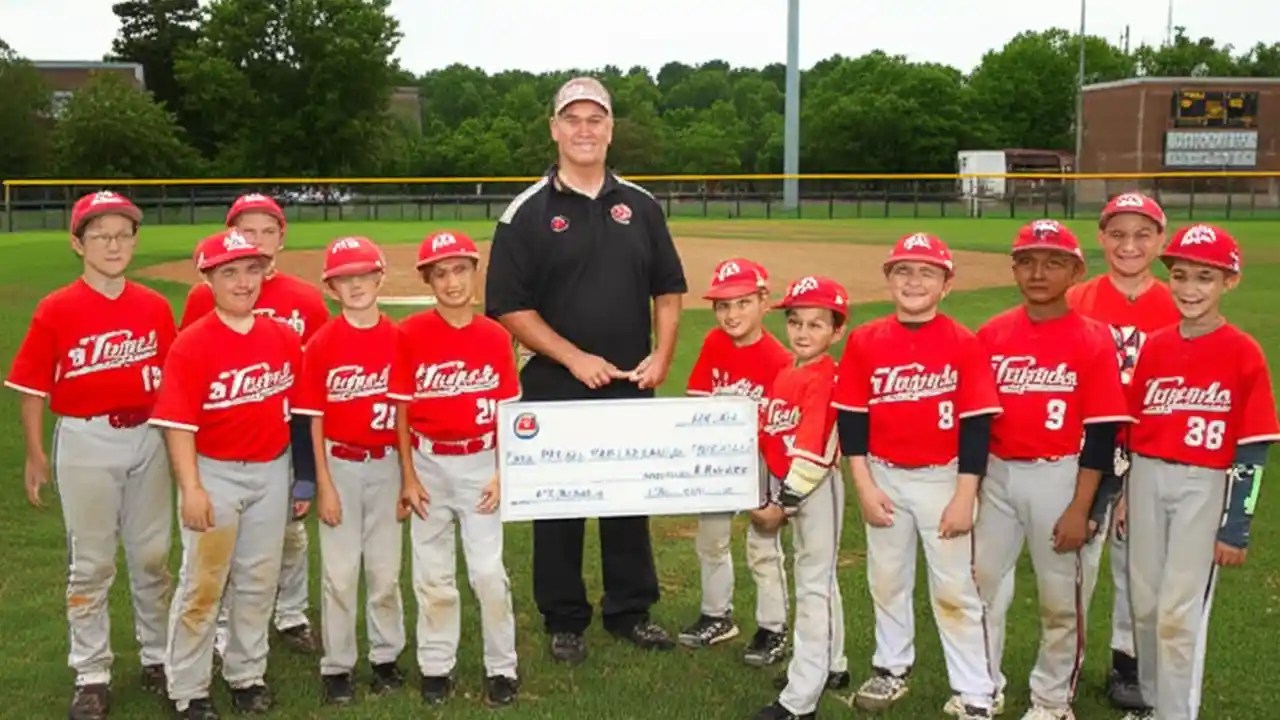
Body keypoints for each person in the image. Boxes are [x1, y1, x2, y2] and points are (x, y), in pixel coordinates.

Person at [483, 75, 688, 662]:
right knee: (559, 503)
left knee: (628, 499)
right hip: (553, 383)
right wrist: (573, 357)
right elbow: (507, 306)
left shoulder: (641, 206)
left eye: (594, 119)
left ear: (610, 129)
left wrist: (664, 356)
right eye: (572, 119)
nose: (584, 130)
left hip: (629, 381)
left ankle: (630, 609)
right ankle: (564, 616)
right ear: (554, 129)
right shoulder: (526, 212)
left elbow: (668, 290)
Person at [5, 191, 175, 720]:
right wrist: (35, 453)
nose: (113, 243)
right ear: (77, 243)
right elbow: (31, 387)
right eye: (99, 235)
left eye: (123, 234)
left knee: (152, 557)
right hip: (85, 438)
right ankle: (92, 670)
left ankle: (159, 656)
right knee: (93, 562)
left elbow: (175, 383)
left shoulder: (154, 306)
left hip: (147, 437)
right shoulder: (56, 307)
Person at [832, 233, 1001, 720]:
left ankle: (974, 691)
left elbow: (975, 426)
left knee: (954, 588)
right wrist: (863, 485)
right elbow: (853, 420)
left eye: (927, 272)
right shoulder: (867, 340)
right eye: (903, 270)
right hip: (883, 474)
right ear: (888, 279)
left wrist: (965, 494)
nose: (914, 280)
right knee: (886, 578)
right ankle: (890, 667)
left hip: (943, 479)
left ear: (946, 285)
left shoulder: (963, 344)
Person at [971, 220, 1133, 720]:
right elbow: (975, 422)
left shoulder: (1094, 338)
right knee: (980, 584)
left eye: (1054, 262)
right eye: (1027, 261)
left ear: (1076, 270)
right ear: (1014, 268)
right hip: (997, 474)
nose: (1038, 272)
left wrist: (1081, 507)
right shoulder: (993, 332)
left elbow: (1103, 434)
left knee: (1061, 596)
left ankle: (1051, 699)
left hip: (1061, 474)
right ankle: (981, 685)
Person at [1121, 224, 1278, 720]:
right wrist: (1123, 490)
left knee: (1177, 614)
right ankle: (1150, 703)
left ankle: (1176, 713)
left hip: (1203, 483)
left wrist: (1237, 524)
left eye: (1205, 278)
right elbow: (1131, 426)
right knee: (1143, 605)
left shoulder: (1243, 352)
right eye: (1181, 276)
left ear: (1228, 282)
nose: (1190, 289)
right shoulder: (1156, 346)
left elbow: (1253, 451)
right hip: (1145, 476)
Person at [149, 229, 302, 718]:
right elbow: (178, 424)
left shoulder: (282, 335)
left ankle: (246, 675)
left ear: (265, 273)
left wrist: (301, 478)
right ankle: (188, 689)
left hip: (272, 470)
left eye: (252, 270)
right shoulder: (192, 344)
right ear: (209, 279)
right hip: (214, 471)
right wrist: (191, 487)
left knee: (259, 580)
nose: (242, 282)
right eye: (229, 272)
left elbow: (298, 413)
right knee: (203, 584)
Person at [180, 193, 329, 656]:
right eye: (248, 232)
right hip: (222, 438)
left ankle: (290, 613)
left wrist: (306, 468)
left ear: (282, 238)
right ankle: (222, 624)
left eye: (268, 231)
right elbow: (185, 372)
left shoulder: (304, 300)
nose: (259, 242)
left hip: (283, 435)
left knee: (287, 534)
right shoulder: (204, 297)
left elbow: (313, 385)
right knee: (220, 540)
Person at [392, 230, 522, 707]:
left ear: (474, 272)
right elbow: (403, 411)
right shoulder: (409, 332)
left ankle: (502, 666)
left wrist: (501, 472)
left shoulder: (494, 334)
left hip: (481, 462)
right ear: (429, 280)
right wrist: (407, 475)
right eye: (441, 273)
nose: (452, 282)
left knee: (488, 572)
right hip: (428, 463)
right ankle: (435, 666)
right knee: (433, 575)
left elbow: (509, 412)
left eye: (460, 270)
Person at [1064, 192, 1180, 710]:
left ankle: (1126, 662)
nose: (1129, 245)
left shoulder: (1178, 303)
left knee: (1138, 564)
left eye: (1142, 234)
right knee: (1077, 561)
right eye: (1117, 233)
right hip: (1087, 449)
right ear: (1101, 237)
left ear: (1160, 239)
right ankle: (1064, 660)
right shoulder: (1076, 299)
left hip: (1150, 451)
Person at [291, 236, 406, 706]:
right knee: (339, 574)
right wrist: (322, 482)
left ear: (380, 278)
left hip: (388, 466)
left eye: (363, 275)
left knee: (384, 572)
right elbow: (312, 418)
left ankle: (386, 657)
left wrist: (408, 476)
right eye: (344, 278)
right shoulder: (320, 344)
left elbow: (406, 415)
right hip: (339, 462)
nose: (355, 284)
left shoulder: (400, 339)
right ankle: (337, 666)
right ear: (331, 288)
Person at [677, 258, 794, 663]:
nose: (731, 314)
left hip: (762, 460)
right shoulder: (714, 343)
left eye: (743, 303)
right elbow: (696, 397)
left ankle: (773, 627)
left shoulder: (780, 359)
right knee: (710, 540)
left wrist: (776, 491)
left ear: (764, 302)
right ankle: (717, 615)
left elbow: (782, 431)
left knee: (763, 546)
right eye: (723, 306)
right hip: (719, 458)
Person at [750, 275, 849, 720]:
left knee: (813, 585)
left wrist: (780, 504)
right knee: (819, 579)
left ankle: (799, 701)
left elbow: (813, 447)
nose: (803, 333)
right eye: (795, 322)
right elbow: (772, 437)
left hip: (814, 487)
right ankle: (832, 664)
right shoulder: (788, 371)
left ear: (836, 330)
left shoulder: (827, 376)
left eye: (815, 324)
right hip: (789, 486)